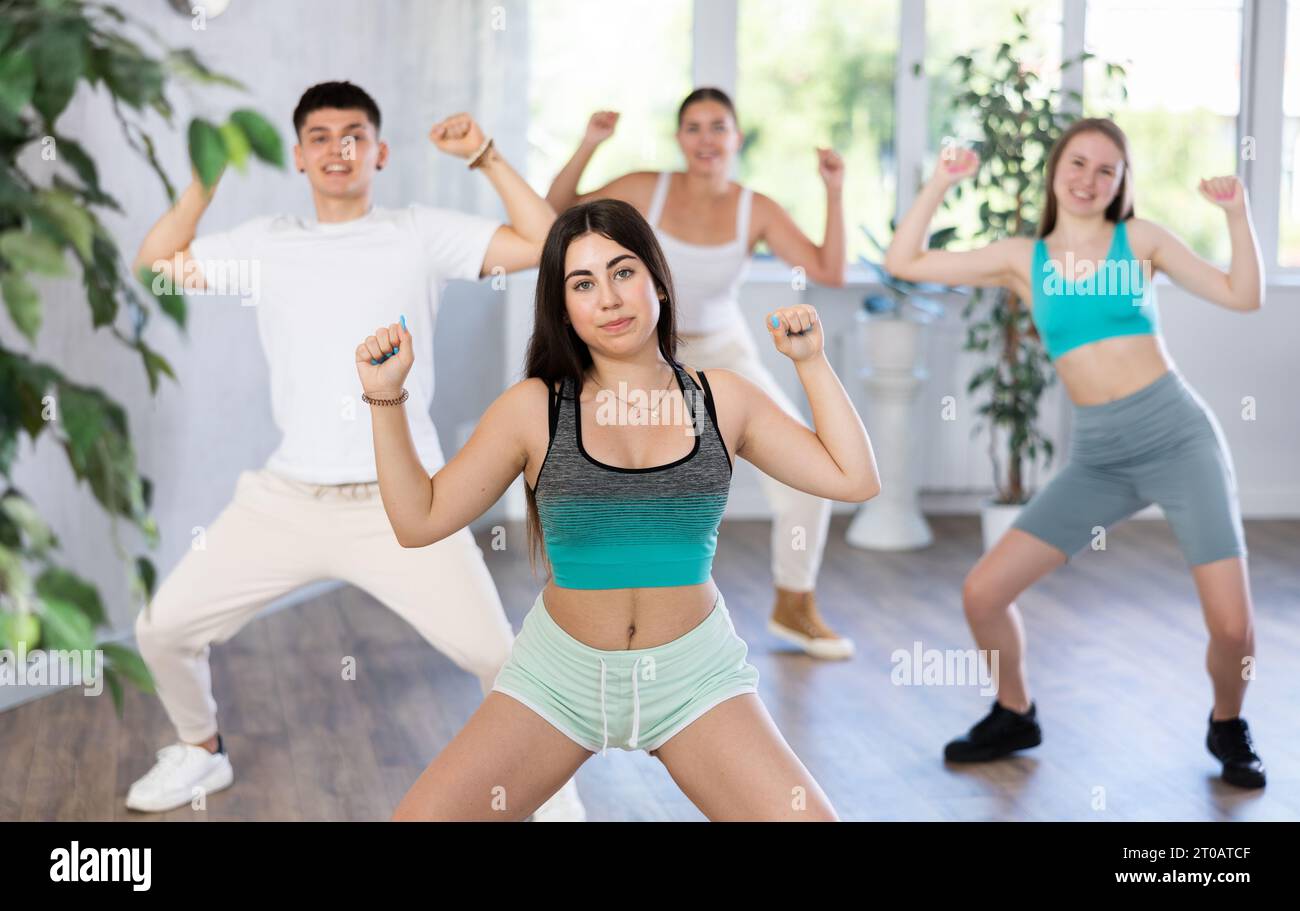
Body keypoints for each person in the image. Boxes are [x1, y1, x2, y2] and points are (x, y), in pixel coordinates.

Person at [127, 81, 585, 818]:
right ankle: (198, 750)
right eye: (319, 136)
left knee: (499, 656)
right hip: (287, 499)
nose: (337, 148)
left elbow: (545, 243)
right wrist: (207, 177)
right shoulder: (266, 242)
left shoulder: (417, 231)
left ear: (379, 151)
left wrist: (486, 156)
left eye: (352, 134)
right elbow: (155, 265)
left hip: (403, 504)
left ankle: (551, 797)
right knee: (162, 628)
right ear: (300, 157)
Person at [359, 199, 880, 820]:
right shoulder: (534, 409)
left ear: (658, 280)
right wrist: (383, 399)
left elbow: (853, 478)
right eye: (583, 284)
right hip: (559, 678)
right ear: (564, 309)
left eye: (622, 272)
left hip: (694, 677)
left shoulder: (724, 401)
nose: (608, 298)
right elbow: (418, 522)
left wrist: (810, 362)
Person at [885, 117, 1267, 789]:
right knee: (983, 591)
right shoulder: (1020, 258)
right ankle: (1014, 710)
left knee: (1233, 627)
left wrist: (1237, 214)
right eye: (1079, 163)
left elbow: (1244, 295)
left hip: (1178, 436)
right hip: (1099, 456)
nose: (1089, 179)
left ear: (1121, 184)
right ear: (1056, 169)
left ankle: (1228, 724)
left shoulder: (1140, 240)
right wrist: (941, 182)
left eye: (1106, 170)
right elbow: (904, 262)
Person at [545, 88, 854, 659]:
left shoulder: (753, 207)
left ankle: (795, 603)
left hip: (724, 350)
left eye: (719, 127)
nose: (706, 139)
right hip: (643, 353)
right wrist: (590, 142)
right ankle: (612, 609)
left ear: (737, 138)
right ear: (679, 138)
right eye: (694, 128)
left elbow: (830, 270)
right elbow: (558, 214)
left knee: (812, 475)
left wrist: (834, 190)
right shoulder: (645, 188)